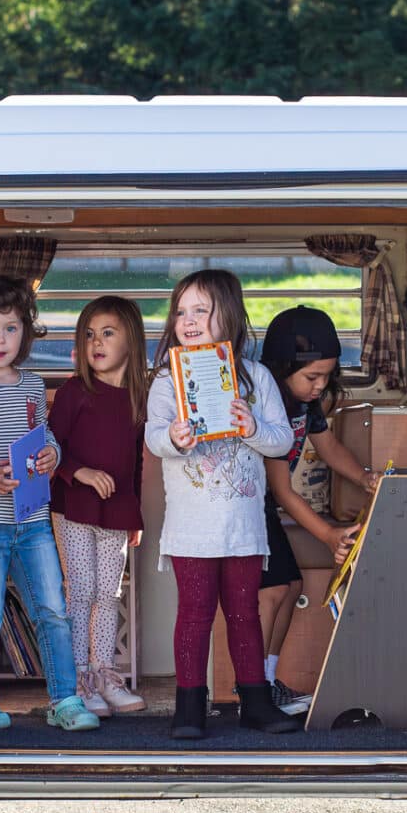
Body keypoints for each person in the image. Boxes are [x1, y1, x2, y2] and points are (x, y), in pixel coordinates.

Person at [144, 269, 296, 739]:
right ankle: (189, 706)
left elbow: (282, 440)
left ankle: (255, 701)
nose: (187, 321)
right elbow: (153, 437)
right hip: (192, 527)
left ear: (227, 315)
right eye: (180, 312)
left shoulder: (256, 378)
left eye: (200, 311)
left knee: (244, 612)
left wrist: (252, 428)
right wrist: (174, 437)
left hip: (242, 526)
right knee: (194, 614)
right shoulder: (167, 381)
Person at [0, 275, 96, 733]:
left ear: (25, 333)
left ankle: (65, 700)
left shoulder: (32, 384)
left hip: (32, 520)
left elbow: (42, 436)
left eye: (10, 328)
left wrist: (53, 453)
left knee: (53, 610)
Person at [257, 306, 382, 714]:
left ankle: (266, 680)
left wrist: (365, 478)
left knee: (292, 587)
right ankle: (252, 689)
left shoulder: (304, 404)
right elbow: (282, 489)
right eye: (312, 377)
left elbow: (328, 448)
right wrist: (328, 536)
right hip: (248, 509)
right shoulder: (272, 405)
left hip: (263, 508)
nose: (320, 386)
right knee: (271, 591)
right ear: (282, 369)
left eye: (327, 377)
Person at [50, 296, 151, 718]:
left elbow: (136, 461)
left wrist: (135, 514)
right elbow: (49, 450)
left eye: (108, 333)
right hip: (73, 507)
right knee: (81, 593)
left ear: (132, 340)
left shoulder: (139, 396)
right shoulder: (74, 392)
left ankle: (105, 674)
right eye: (89, 334)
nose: (96, 342)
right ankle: (79, 679)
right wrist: (82, 472)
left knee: (109, 594)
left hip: (117, 511)